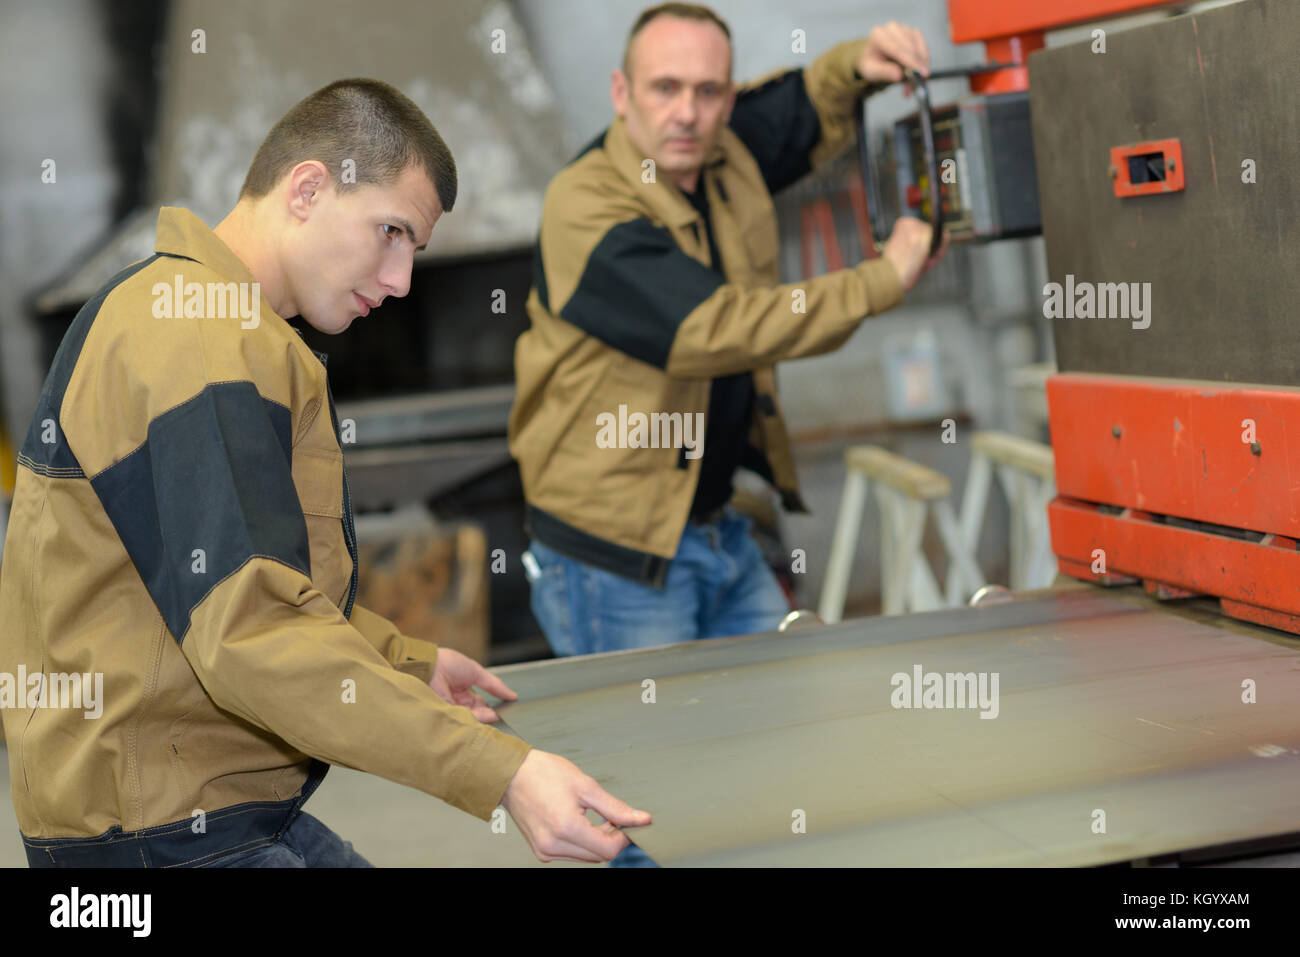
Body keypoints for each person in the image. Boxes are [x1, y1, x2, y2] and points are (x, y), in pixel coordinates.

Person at [0, 78, 648, 867]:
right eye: (390, 231)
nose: (403, 278)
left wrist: (407, 664)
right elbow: (252, 633)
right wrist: (502, 772)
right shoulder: (198, 337)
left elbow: (239, 591)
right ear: (307, 188)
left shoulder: (194, 316)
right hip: (156, 841)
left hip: (202, 810)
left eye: (414, 247)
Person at [510, 5, 945, 661]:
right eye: (665, 88)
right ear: (621, 92)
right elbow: (714, 328)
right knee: (656, 757)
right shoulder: (586, 206)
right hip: (616, 555)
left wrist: (860, 64)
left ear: (726, 96)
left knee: (788, 713)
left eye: (708, 91)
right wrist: (884, 277)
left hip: (715, 528)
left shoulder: (719, 150)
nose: (687, 112)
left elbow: (795, 109)